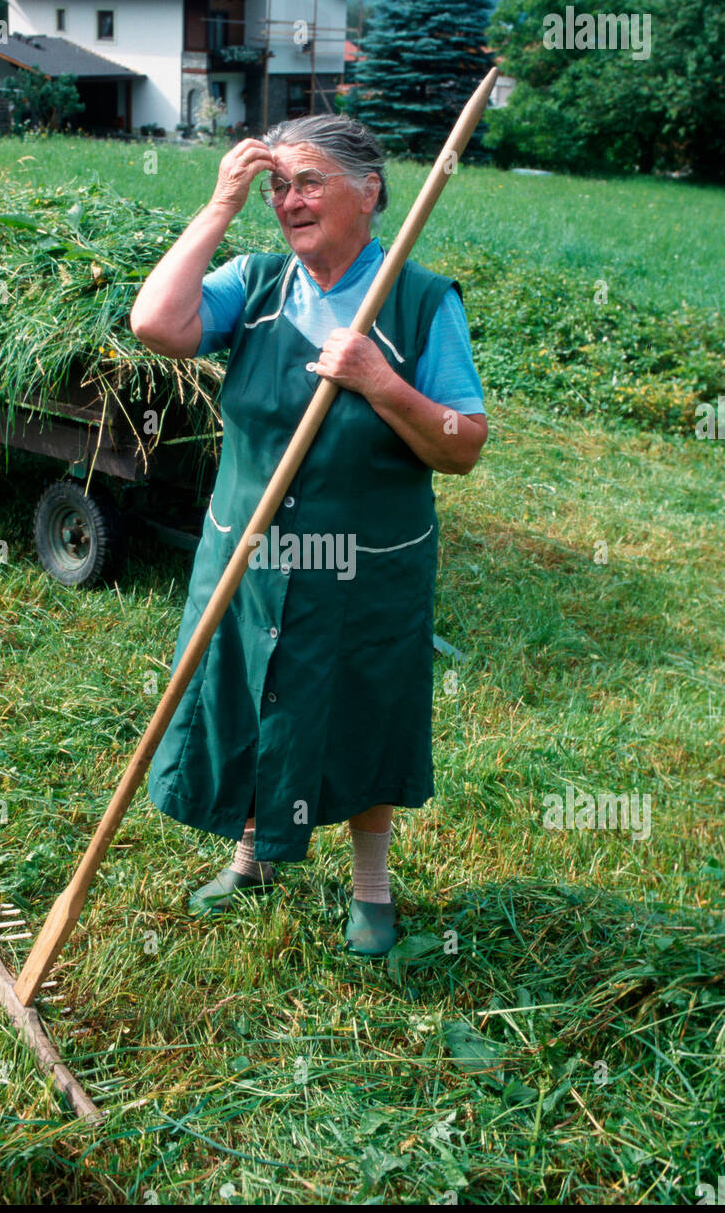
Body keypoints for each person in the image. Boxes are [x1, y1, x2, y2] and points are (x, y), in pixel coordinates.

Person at [129, 115, 487, 956]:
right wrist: (220, 204)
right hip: (249, 553)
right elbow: (155, 324)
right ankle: (254, 853)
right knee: (257, 691)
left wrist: (380, 383)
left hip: (363, 568)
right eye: (279, 186)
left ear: (370, 191)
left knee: (362, 709)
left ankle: (372, 891)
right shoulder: (254, 285)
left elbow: (462, 447)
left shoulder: (419, 301)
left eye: (309, 181)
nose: (290, 200)